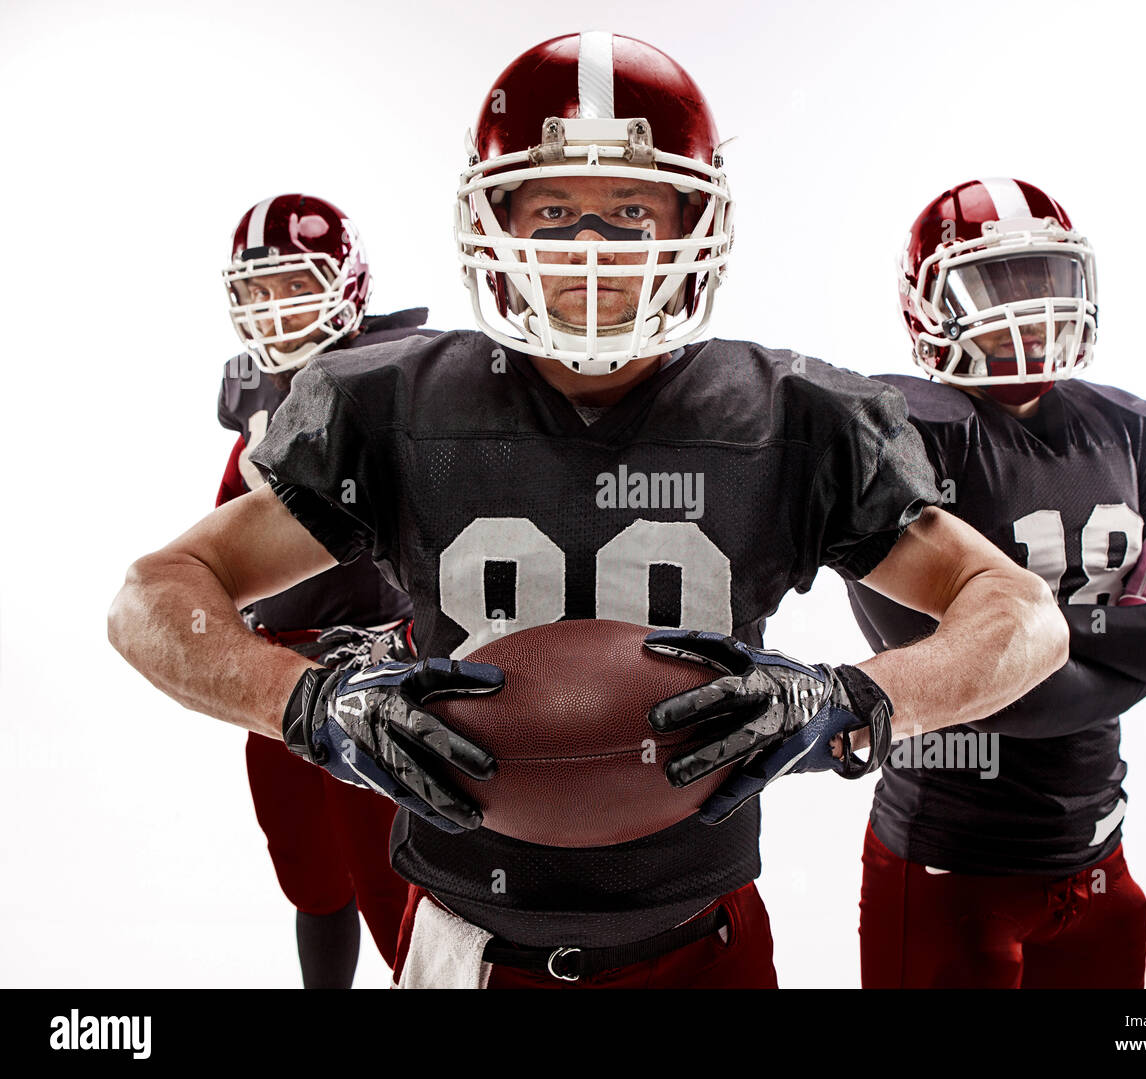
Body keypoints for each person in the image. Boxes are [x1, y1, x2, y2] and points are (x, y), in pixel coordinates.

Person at [109, 36, 1068, 990]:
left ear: (695, 219)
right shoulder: (393, 404)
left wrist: (850, 702)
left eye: (631, 208)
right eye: (557, 209)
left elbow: (1020, 612)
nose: (594, 248)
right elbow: (153, 595)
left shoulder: (793, 415)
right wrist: (310, 704)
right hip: (464, 939)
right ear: (495, 220)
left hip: (707, 937)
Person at [848, 177, 1146, 988]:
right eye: (998, 281)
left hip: (1101, 860)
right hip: (950, 869)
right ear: (927, 303)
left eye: (1044, 277)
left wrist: (1058, 629)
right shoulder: (905, 432)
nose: (1029, 304)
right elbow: (990, 692)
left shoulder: (1125, 425)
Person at [215, 193, 436, 987]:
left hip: (377, 675)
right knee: (310, 877)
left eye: (293, 284)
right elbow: (225, 529)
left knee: (399, 892)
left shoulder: (389, 380)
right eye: (258, 290)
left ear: (349, 283)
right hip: (276, 678)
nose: (274, 309)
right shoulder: (261, 393)